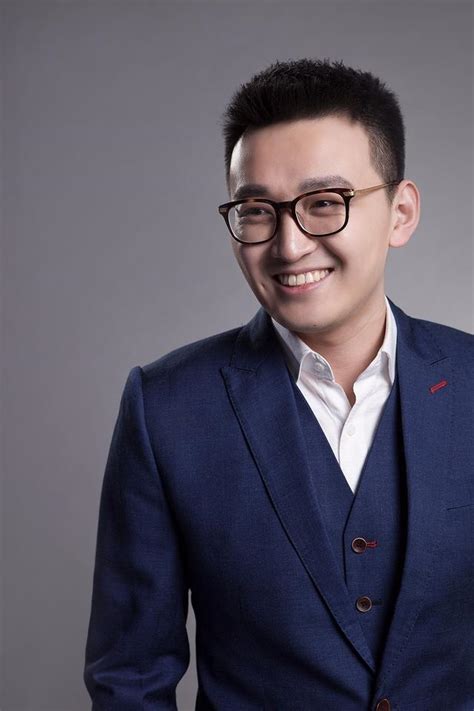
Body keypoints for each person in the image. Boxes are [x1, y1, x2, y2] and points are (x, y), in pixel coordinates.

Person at [84, 59, 473, 710]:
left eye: (324, 204)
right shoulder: (167, 407)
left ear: (400, 212)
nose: (289, 246)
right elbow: (130, 679)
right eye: (257, 210)